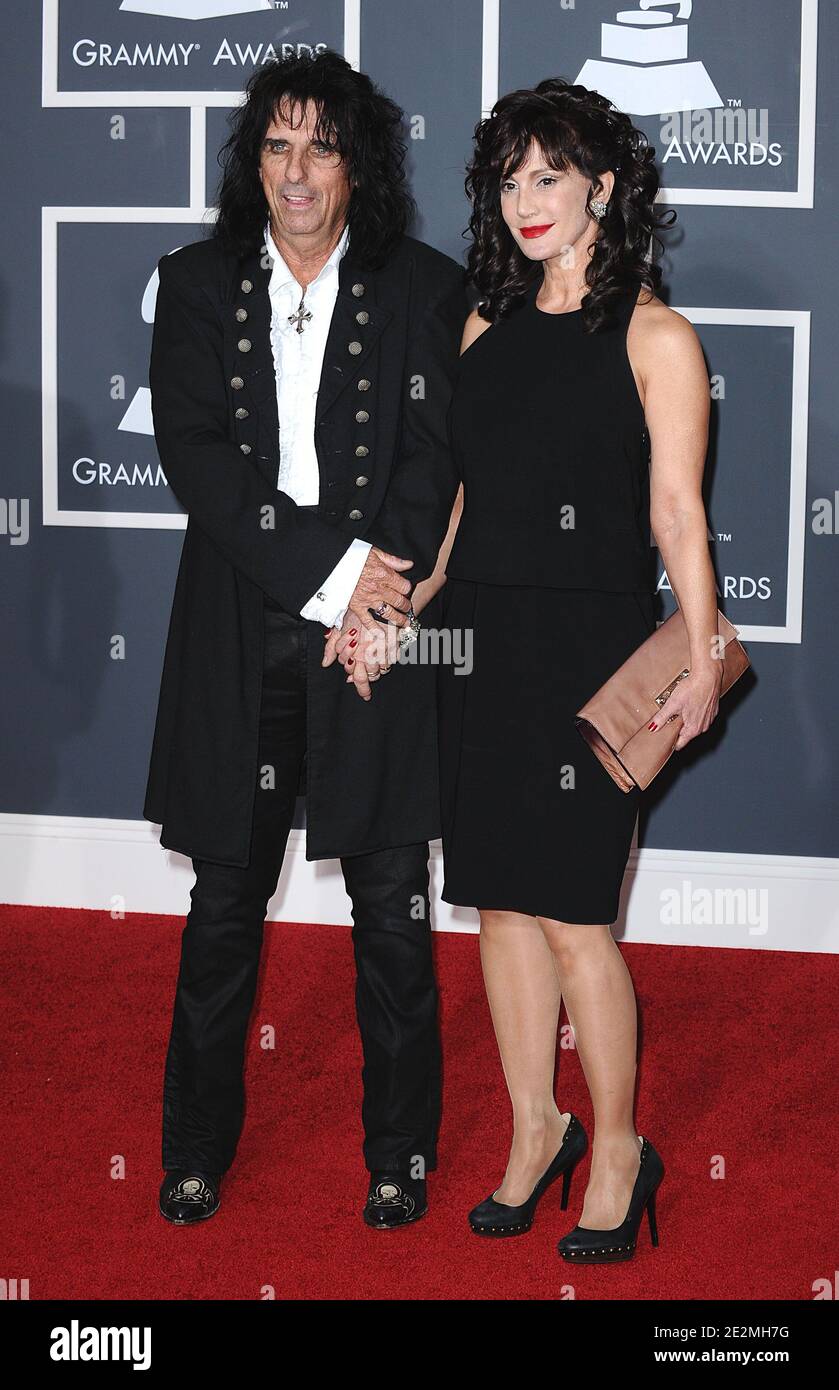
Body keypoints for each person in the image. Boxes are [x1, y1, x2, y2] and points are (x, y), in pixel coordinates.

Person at [144, 50, 468, 1230]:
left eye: (320, 145)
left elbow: (433, 461)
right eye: (276, 145)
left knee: (391, 905)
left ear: (357, 163)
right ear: (252, 161)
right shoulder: (192, 282)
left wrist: (380, 610)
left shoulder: (424, 288)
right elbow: (200, 463)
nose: (295, 170)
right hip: (242, 630)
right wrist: (343, 585)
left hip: (377, 643)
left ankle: (400, 1154)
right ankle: (191, 1150)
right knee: (223, 904)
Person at [406, 78, 720, 1262]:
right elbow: (460, 502)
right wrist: (407, 604)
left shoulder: (653, 336)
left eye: (550, 175)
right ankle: (537, 1126)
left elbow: (677, 514)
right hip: (480, 640)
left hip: (589, 653)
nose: (526, 199)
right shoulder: (481, 327)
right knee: (496, 906)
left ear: (600, 185)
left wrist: (698, 652)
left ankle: (621, 1146)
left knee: (577, 914)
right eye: (508, 177)